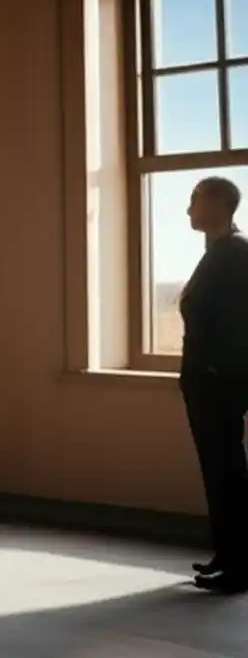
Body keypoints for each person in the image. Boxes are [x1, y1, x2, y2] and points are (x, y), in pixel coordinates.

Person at [179, 177, 248, 593]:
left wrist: (217, 372)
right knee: (218, 473)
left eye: (195, 201)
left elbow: (239, 321)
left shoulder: (237, 254)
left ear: (220, 204)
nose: (189, 210)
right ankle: (227, 556)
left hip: (220, 384)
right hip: (207, 384)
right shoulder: (218, 252)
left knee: (229, 474)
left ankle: (240, 565)